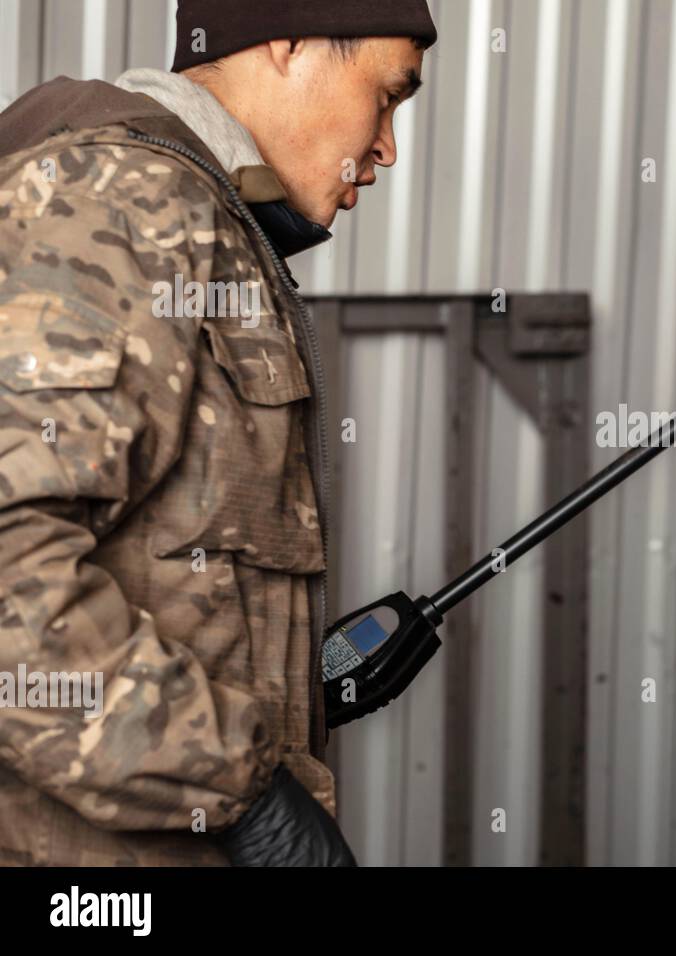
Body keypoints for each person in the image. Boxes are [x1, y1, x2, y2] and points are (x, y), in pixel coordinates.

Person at [0, 0, 436, 866]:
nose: (386, 145)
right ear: (290, 41)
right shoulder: (123, 201)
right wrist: (244, 793)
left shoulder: (197, 216)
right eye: (386, 96)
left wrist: (285, 688)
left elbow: (151, 561)